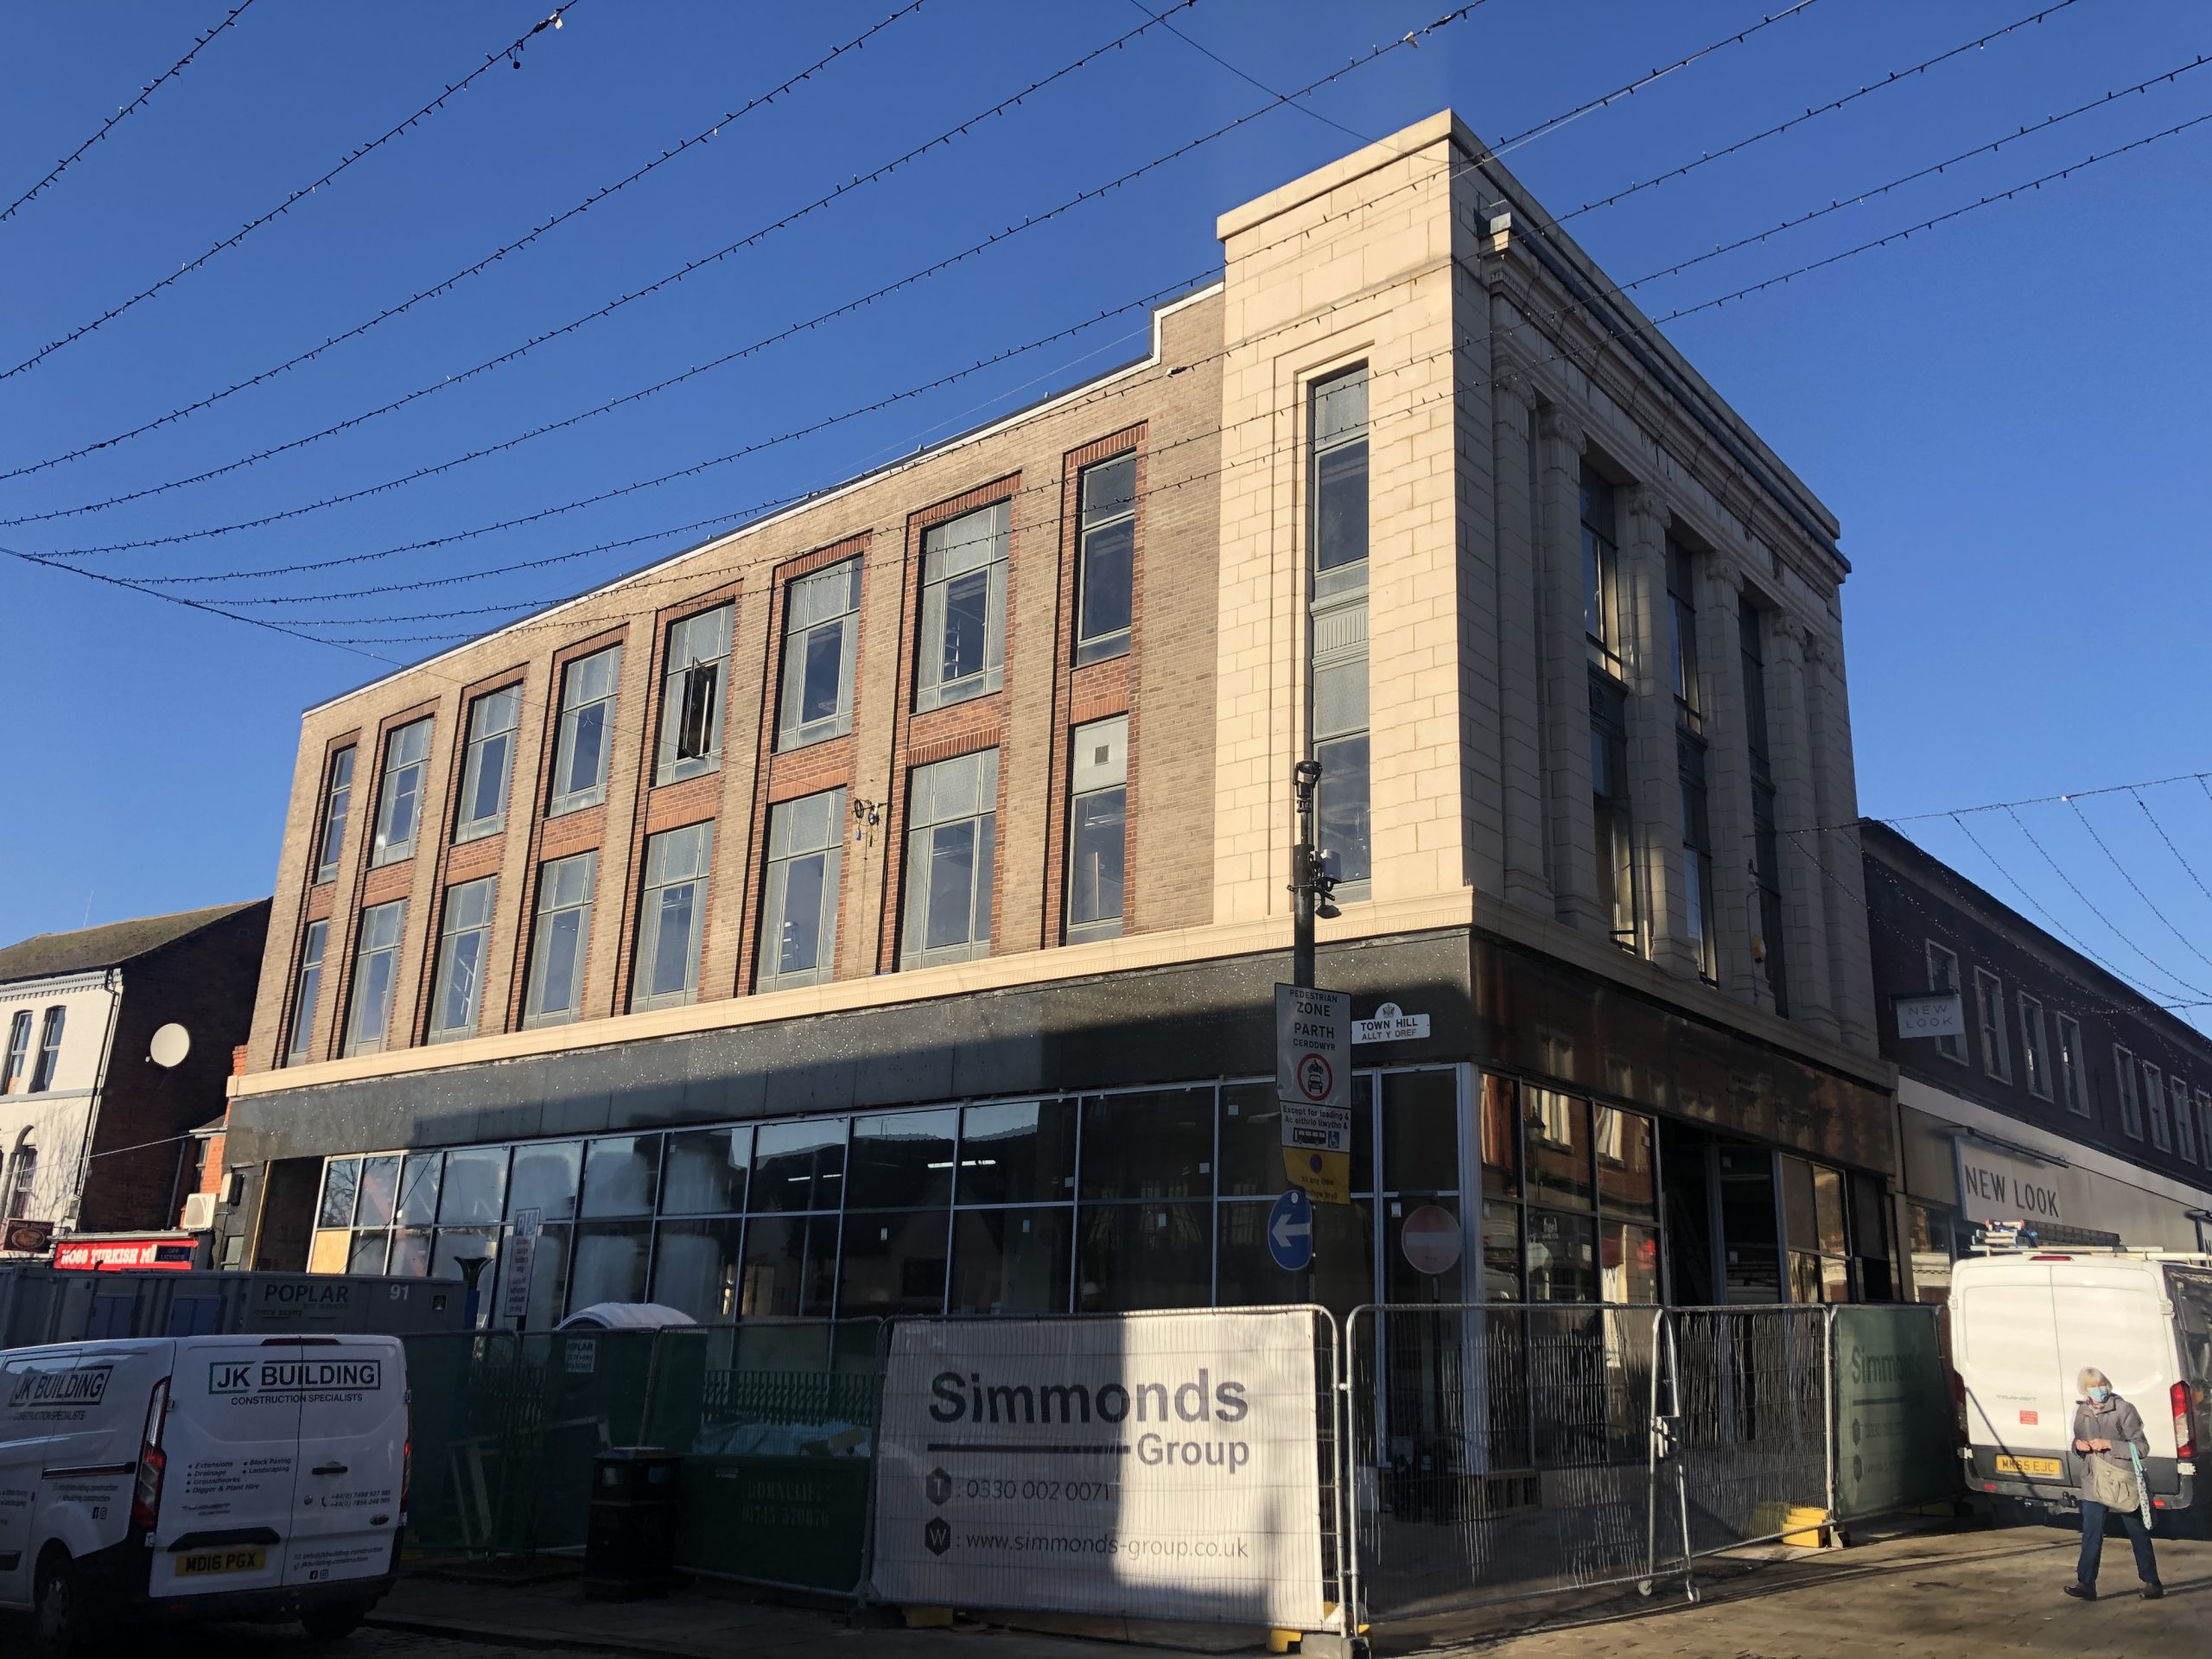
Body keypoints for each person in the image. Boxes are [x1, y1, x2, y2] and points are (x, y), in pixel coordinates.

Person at [2064, 1367, 2164, 1601]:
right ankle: (2085, 1583)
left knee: (2136, 1531)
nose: (2099, 1390)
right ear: (2084, 1389)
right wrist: (2078, 1447)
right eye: (2093, 1386)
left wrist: (2109, 1444)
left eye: (2101, 1384)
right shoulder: (2082, 1411)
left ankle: (2152, 1582)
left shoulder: (2125, 1409)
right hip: (2094, 1481)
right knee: (2091, 1533)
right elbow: (2077, 1442)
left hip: (2121, 1481)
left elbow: (2141, 1447)